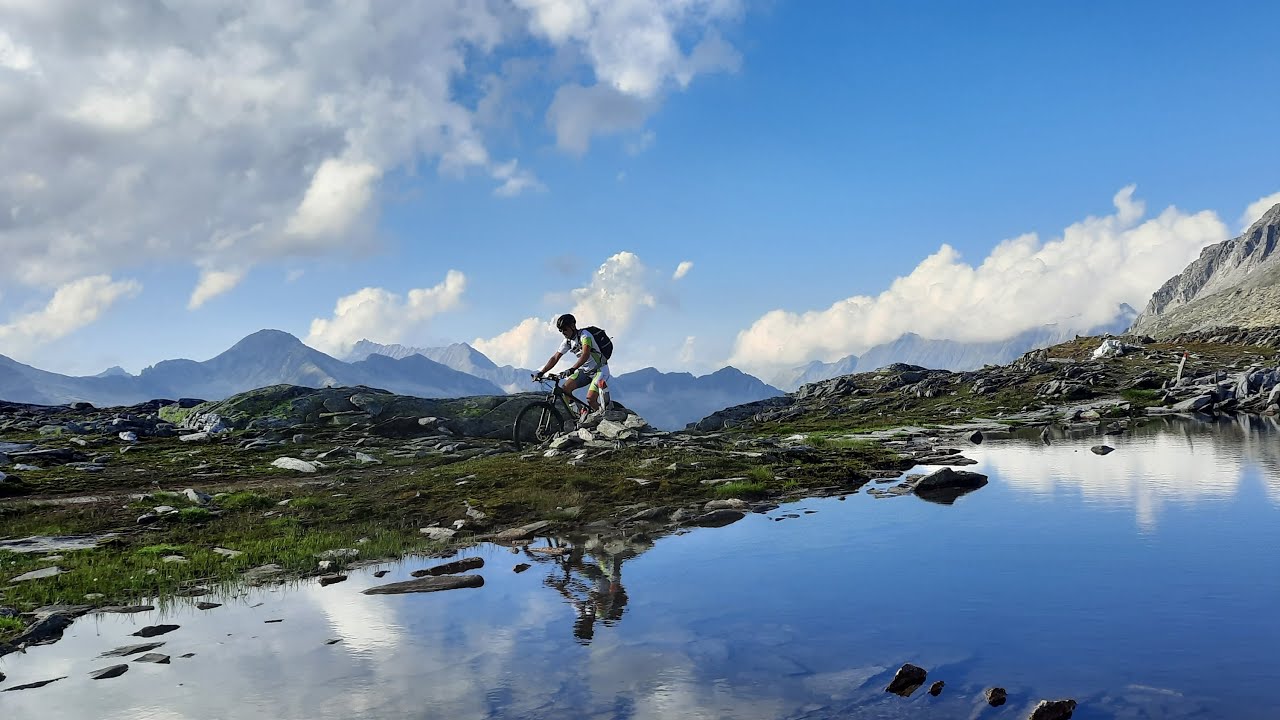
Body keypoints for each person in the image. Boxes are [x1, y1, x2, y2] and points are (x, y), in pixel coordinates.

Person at [533, 313, 610, 421]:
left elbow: (585, 354)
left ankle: (605, 419)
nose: (563, 333)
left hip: (600, 370)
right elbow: (555, 358)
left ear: (573, 326)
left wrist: (572, 369)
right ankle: (580, 413)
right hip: (585, 371)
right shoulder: (567, 342)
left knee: (590, 399)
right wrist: (541, 372)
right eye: (560, 330)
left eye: (565, 329)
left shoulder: (585, 336)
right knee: (565, 390)